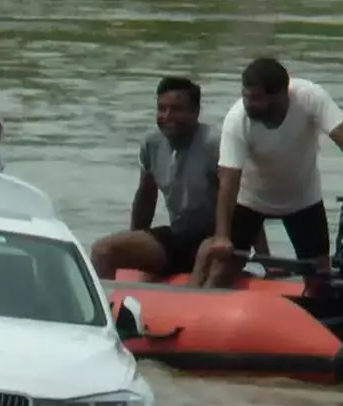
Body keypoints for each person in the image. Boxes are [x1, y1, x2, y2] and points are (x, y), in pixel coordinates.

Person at [205, 57, 343, 291]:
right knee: (222, 269)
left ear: (280, 95)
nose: (248, 103)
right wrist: (222, 235)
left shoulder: (310, 97)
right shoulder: (237, 120)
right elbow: (228, 179)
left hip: (303, 199)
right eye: (245, 96)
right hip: (251, 200)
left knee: (319, 275)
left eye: (256, 98)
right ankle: (205, 308)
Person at [90, 76, 269, 282]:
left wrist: (264, 257)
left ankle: (196, 297)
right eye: (162, 109)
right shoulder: (152, 143)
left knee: (203, 261)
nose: (167, 116)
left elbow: (246, 202)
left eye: (176, 109)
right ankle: (109, 308)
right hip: (179, 236)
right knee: (102, 250)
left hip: (219, 239)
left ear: (195, 112)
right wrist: (136, 241)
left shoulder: (215, 145)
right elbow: (146, 197)